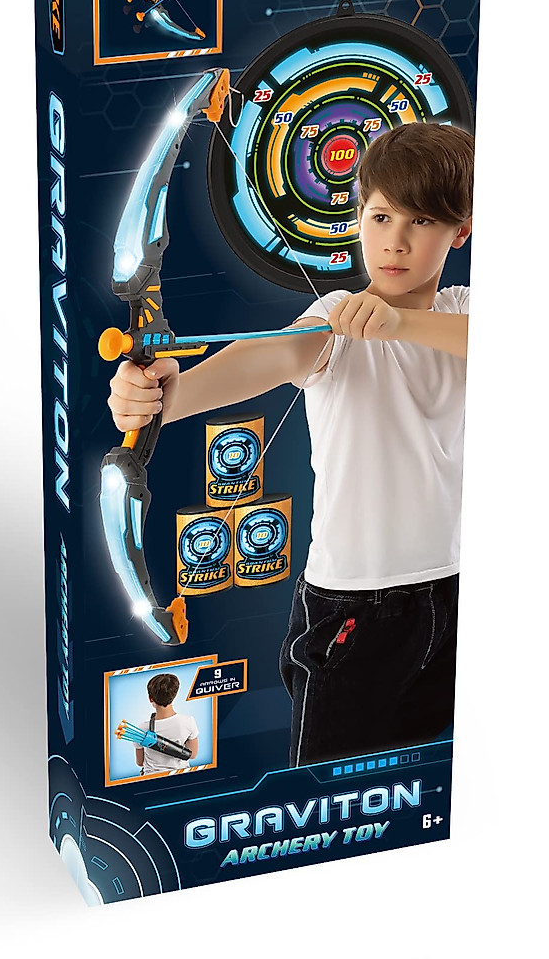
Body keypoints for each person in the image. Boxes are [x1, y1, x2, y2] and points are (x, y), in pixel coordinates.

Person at [108, 122, 472, 767]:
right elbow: (268, 360)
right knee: (328, 789)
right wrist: (159, 397)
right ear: (357, 217)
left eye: (421, 221)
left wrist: (399, 323)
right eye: (381, 217)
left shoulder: (460, 311)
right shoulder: (331, 320)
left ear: (460, 232)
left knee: (434, 782)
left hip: (458, 590)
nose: (396, 241)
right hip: (353, 609)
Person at [134, 673, 200, 776]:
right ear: (174, 695)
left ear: (150, 698)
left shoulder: (141, 729)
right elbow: (192, 755)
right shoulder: (188, 721)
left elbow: (140, 762)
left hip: (151, 778)